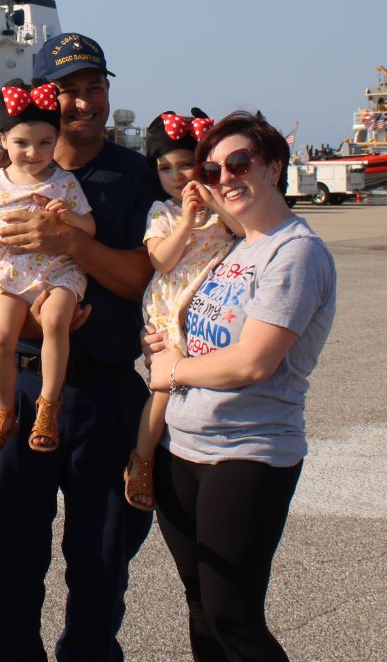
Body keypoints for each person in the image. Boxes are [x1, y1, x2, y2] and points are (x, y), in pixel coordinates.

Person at [0, 32, 160, 662]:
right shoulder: (3, 174)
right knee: (3, 556)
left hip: (100, 392)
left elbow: (140, 278)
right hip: (18, 381)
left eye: (96, 87)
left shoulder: (135, 178)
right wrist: (25, 322)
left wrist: (70, 242)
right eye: (68, 91)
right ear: (44, 99)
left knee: (101, 559)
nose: (85, 103)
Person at [145, 110, 338, 662]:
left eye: (239, 163)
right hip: (181, 447)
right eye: (211, 168)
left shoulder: (294, 252)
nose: (225, 177)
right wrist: (163, 340)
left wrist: (172, 373)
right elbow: (193, 323)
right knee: (202, 606)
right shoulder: (234, 246)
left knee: (234, 613)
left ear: (274, 166)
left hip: (248, 451)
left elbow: (254, 362)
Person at [0, 79, 98, 457]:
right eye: (22, 143)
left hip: (58, 271)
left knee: (55, 322)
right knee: (0, 337)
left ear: (56, 140)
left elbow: (89, 227)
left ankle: (47, 407)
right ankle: (3, 412)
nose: (33, 152)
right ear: (4, 140)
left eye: (44, 142)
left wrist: (68, 216)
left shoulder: (64, 182)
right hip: (11, 272)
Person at [124, 109, 234, 512]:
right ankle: (143, 458)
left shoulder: (221, 207)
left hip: (211, 307)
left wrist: (213, 203)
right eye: (165, 168)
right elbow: (161, 260)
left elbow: (243, 231)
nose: (176, 176)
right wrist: (187, 219)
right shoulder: (163, 212)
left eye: (186, 164)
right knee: (165, 386)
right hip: (171, 310)